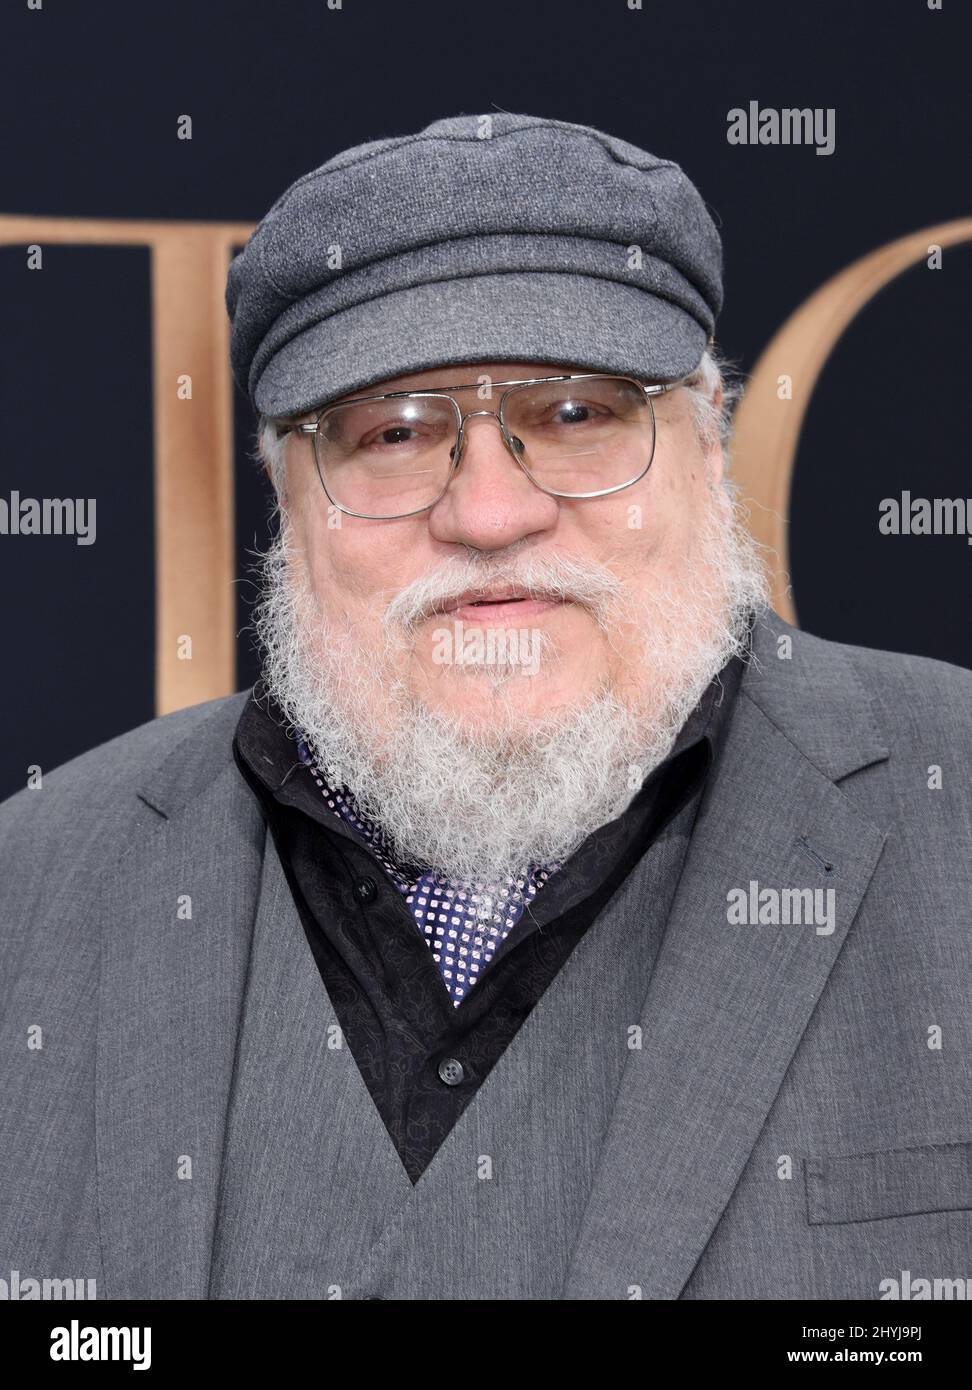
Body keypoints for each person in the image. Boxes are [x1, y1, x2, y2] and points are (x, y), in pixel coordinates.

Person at [1, 112, 970, 1301]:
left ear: (708, 441)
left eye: (576, 415)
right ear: (287, 490)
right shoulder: (30, 885)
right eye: (396, 434)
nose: (493, 514)